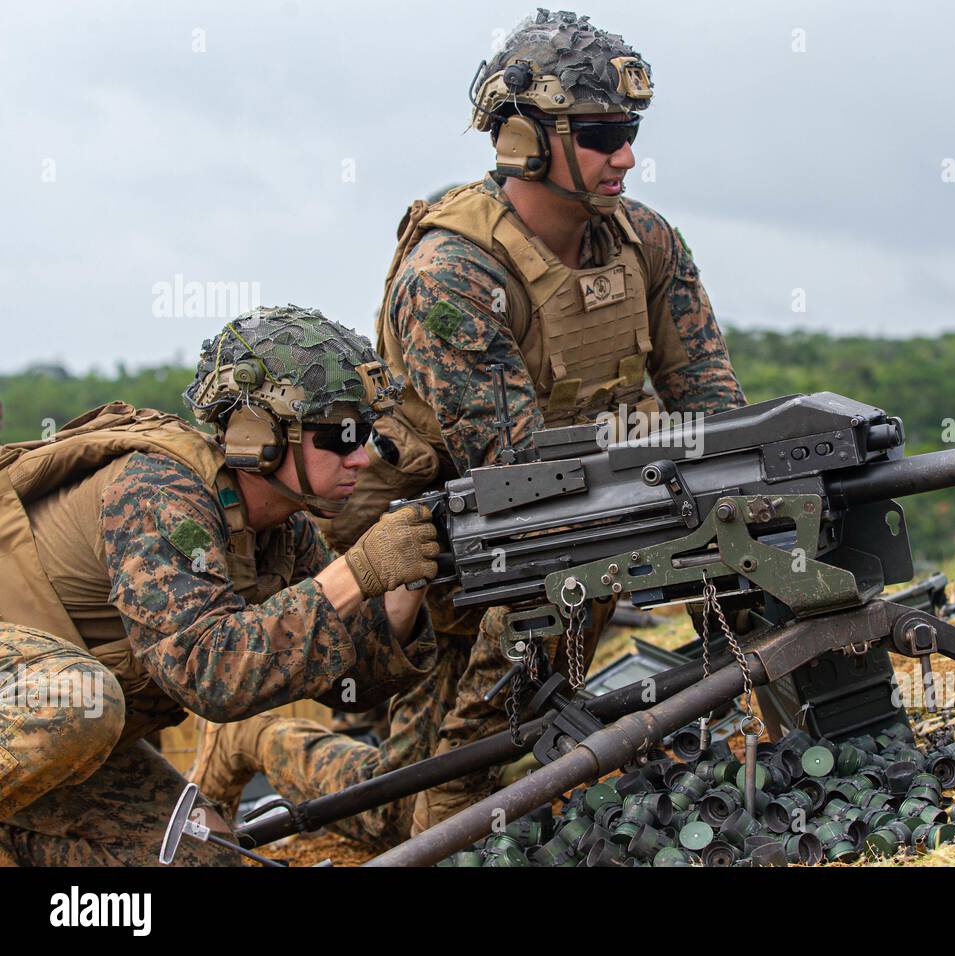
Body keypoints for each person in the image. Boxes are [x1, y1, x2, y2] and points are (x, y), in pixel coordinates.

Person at [191, 8, 749, 841]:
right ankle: (260, 737)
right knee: (418, 812)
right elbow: (518, 479)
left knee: (441, 783)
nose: (625, 155)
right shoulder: (452, 275)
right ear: (525, 140)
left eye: (628, 129)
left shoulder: (647, 244)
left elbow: (712, 412)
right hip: (434, 553)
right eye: (600, 132)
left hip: (556, 528)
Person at [0, 305, 442, 865]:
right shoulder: (157, 491)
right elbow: (205, 671)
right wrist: (356, 573)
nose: (360, 458)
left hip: (53, 745)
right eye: (338, 436)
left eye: (367, 435)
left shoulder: (284, 529)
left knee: (204, 857)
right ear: (259, 434)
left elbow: (348, 681)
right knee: (77, 699)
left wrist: (407, 585)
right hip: (45, 714)